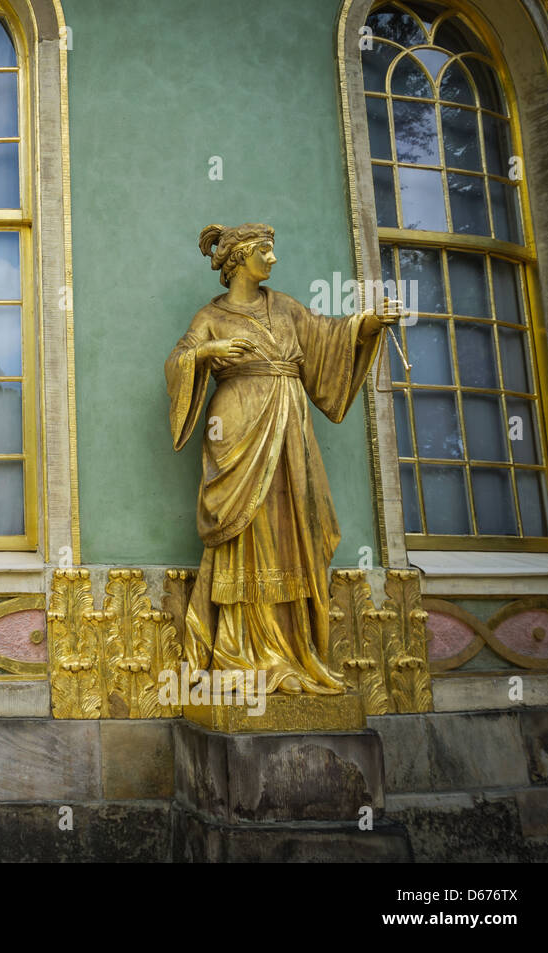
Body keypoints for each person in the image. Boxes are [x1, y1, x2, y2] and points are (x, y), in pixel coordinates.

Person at [165, 223, 399, 694]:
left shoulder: (286, 306)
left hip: (291, 425)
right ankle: (242, 652)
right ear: (240, 260)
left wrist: (368, 324)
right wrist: (210, 350)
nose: (273, 261)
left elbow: (327, 337)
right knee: (246, 530)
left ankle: (293, 652)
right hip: (235, 426)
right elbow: (178, 362)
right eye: (265, 253)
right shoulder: (210, 315)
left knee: (294, 525)